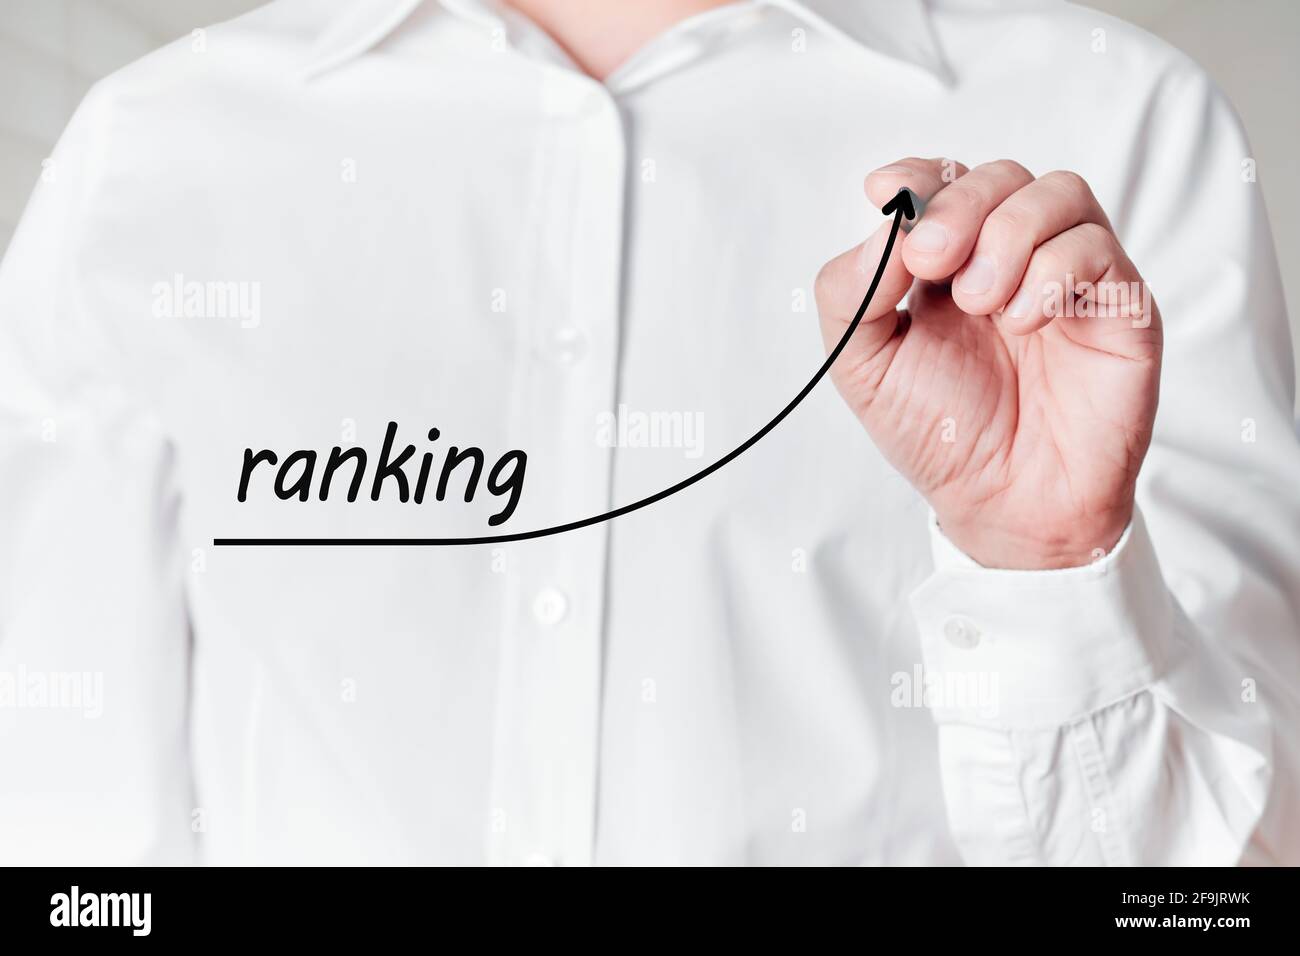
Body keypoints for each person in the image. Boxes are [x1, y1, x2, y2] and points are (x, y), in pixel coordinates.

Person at [0, 0, 1296, 866]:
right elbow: (67, 831)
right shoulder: (150, 157)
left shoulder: (1118, 127)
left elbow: (1219, 882)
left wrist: (1043, 555)